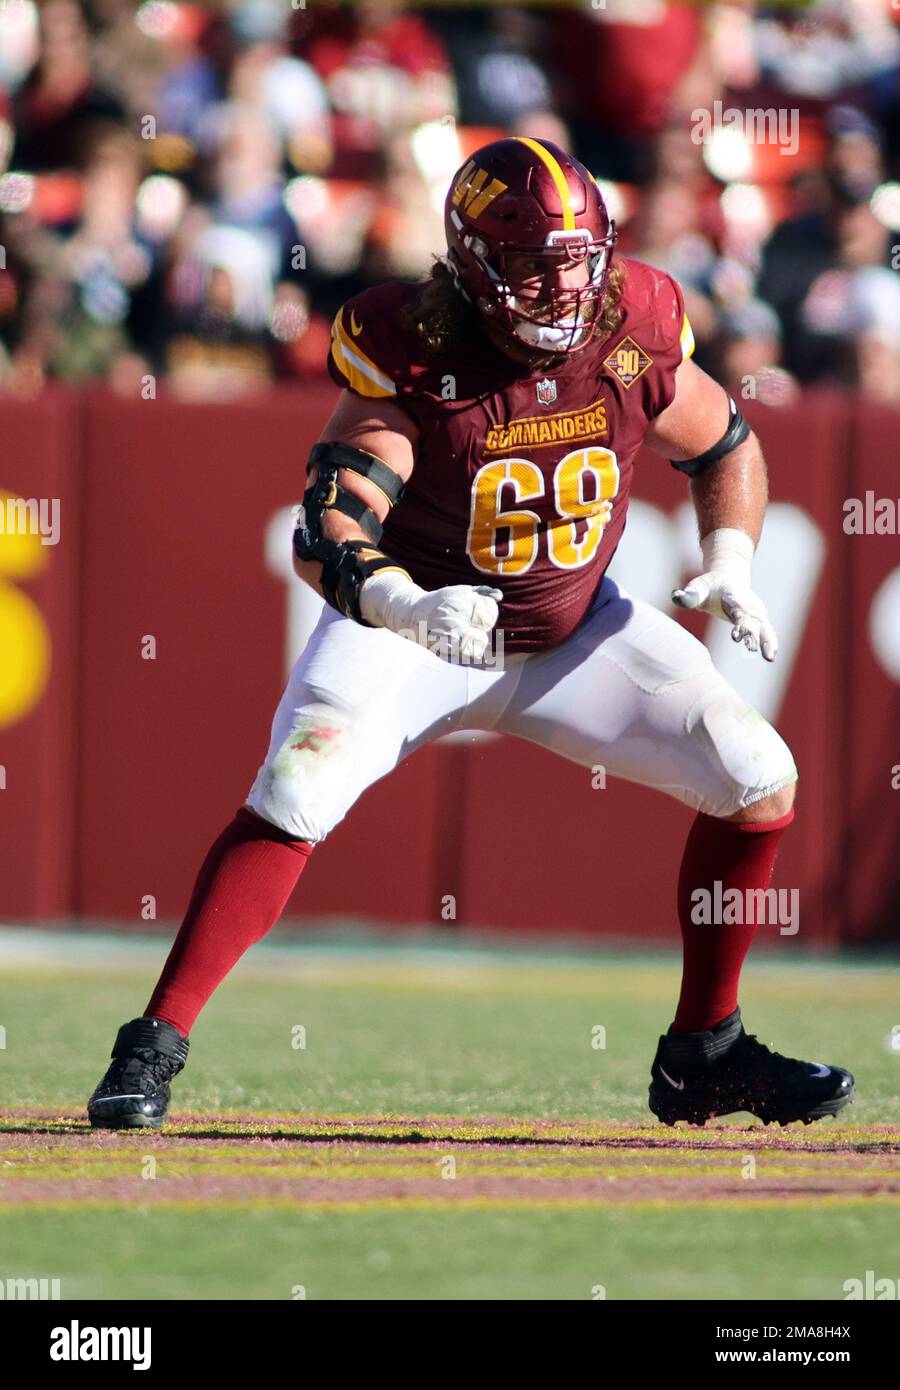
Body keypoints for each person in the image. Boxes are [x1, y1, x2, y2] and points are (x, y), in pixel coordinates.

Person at [87, 138, 854, 1131]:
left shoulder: (634, 324)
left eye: (576, 257)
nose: (562, 282)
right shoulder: (419, 349)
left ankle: (704, 1054)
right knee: (297, 786)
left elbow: (726, 443)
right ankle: (152, 1043)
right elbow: (328, 533)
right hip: (419, 629)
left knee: (757, 772)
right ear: (476, 266)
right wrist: (406, 604)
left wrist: (734, 557)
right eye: (533, 261)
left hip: (572, 635)